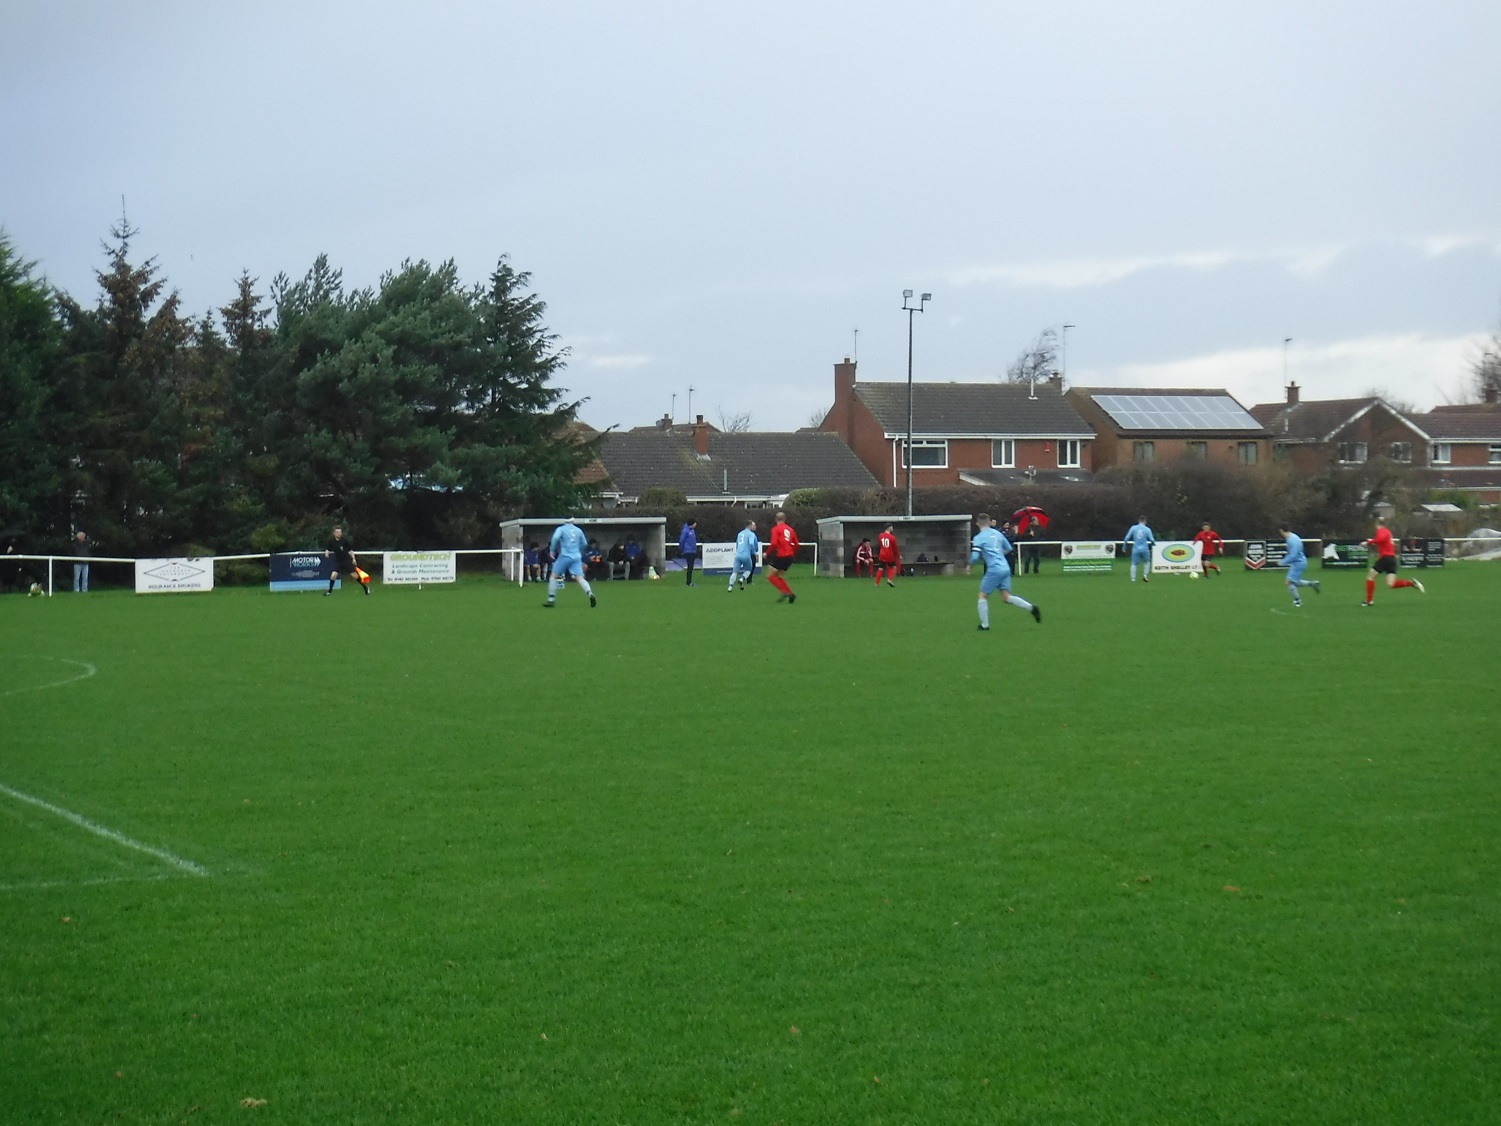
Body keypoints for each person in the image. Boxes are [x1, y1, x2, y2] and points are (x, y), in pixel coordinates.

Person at [969, 513, 1040, 630]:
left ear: (977, 524)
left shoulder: (979, 537)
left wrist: (970, 565)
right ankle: (1031, 608)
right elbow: (1009, 548)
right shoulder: (998, 533)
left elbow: (975, 557)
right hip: (1005, 567)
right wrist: (998, 554)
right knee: (1006, 597)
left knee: (982, 596)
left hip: (994, 569)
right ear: (989, 522)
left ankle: (984, 626)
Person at [1361, 516, 1423, 606]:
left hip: (1385, 558)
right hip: (1392, 559)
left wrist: (1367, 543)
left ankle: (1369, 601)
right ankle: (1411, 583)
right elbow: (1383, 541)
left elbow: (1380, 539)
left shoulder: (1381, 531)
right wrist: (1373, 541)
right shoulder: (1388, 532)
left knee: (1370, 577)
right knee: (1391, 584)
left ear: (1377, 524)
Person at [544, 517, 596, 608]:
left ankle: (551, 599)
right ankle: (590, 593)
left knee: (553, 576)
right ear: (573, 521)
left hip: (565, 556)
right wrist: (577, 550)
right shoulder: (578, 530)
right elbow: (584, 543)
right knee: (580, 578)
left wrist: (552, 550)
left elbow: (555, 538)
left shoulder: (561, 529)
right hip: (576, 557)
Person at [1277, 526, 1320, 607]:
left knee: (1289, 582)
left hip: (1298, 563)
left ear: (1282, 531)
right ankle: (1312, 584)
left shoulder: (1291, 540)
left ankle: (1298, 601)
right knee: (1295, 582)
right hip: (1300, 561)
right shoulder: (1294, 536)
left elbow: (1293, 555)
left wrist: (1282, 562)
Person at [324, 525, 370, 596]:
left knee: (355, 576)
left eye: (340, 532)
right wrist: (326, 553)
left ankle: (365, 588)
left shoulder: (344, 541)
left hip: (346, 561)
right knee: (333, 576)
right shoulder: (331, 541)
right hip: (338, 561)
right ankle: (329, 591)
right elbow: (328, 549)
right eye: (337, 532)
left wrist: (353, 559)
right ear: (334, 533)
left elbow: (350, 550)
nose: (339, 533)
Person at [765, 511, 800, 603]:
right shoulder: (790, 529)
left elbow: (774, 543)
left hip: (781, 555)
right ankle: (791, 594)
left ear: (776, 520)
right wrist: (792, 553)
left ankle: (785, 592)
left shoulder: (775, 529)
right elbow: (796, 544)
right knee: (778, 575)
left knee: (770, 575)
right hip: (789, 556)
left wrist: (767, 553)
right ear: (785, 519)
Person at [1123, 516, 1155, 583]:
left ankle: (1133, 579)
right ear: (1145, 521)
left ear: (1139, 521)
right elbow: (1151, 539)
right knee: (1147, 561)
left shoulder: (1133, 528)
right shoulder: (1147, 529)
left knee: (1133, 564)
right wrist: (1153, 544)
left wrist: (1124, 546)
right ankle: (1145, 576)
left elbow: (1126, 538)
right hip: (1144, 549)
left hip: (1136, 548)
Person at [729, 520, 759, 591]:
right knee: (748, 570)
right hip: (746, 555)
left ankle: (730, 587)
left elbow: (737, 544)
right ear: (750, 525)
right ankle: (741, 579)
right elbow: (751, 543)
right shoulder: (751, 534)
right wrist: (754, 553)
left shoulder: (740, 533)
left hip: (738, 554)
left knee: (735, 572)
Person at [678, 519, 699, 587]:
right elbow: (682, 540)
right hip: (687, 551)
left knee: (691, 567)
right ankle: (688, 582)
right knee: (690, 566)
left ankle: (689, 582)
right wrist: (681, 549)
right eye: (695, 523)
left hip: (692, 551)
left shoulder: (692, 530)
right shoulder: (685, 530)